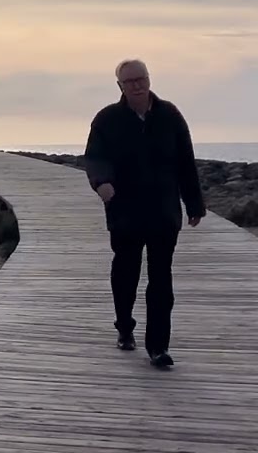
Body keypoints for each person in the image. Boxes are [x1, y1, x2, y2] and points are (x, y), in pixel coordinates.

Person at [83, 58, 205, 368]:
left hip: (163, 210)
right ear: (120, 86)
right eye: (130, 81)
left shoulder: (170, 115)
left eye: (141, 79)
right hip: (125, 210)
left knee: (161, 278)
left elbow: (185, 162)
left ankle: (158, 347)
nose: (137, 85)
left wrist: (194, 203)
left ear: (149, 79)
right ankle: (125, 326)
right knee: (126, 271)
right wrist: (101, 183)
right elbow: (95, 157)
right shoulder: (107, 119)